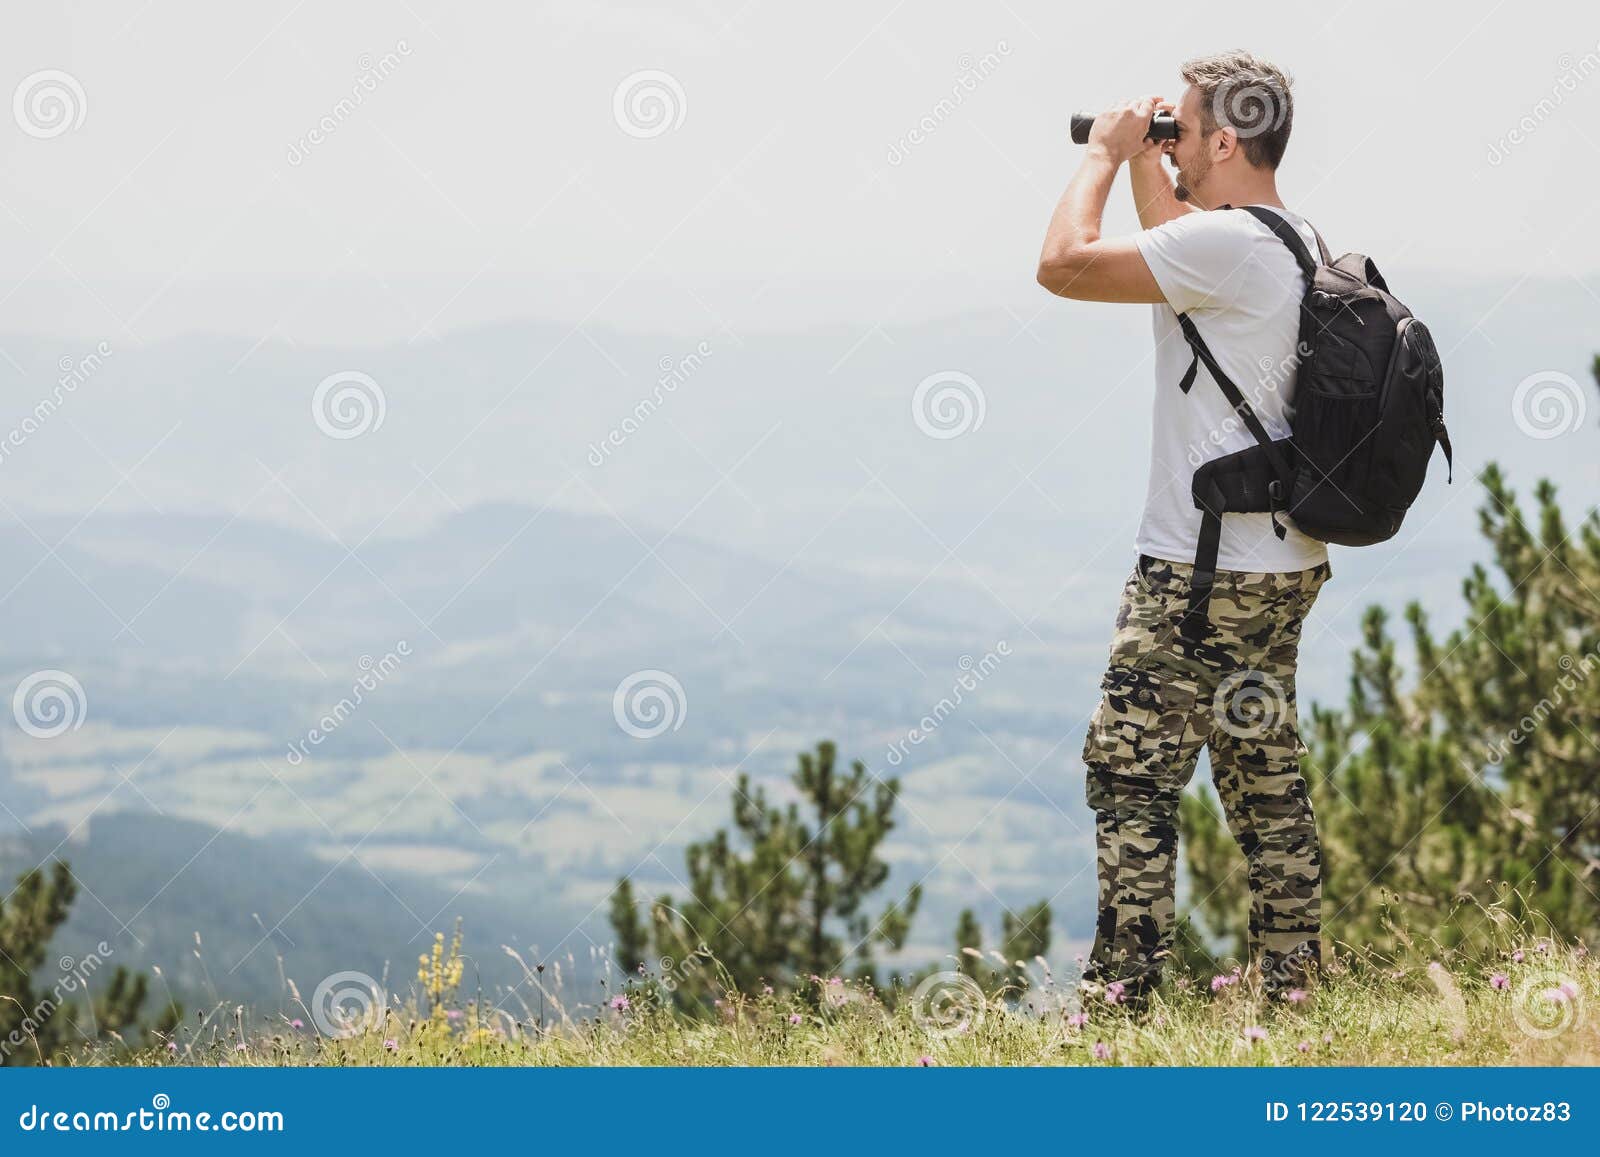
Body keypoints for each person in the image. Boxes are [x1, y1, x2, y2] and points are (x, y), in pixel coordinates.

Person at [1034, 51, 1330, 1004]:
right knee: (1261, 768)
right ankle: (1293, 984)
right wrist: (1155, 163)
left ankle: (1122, 998)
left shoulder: (1228, 246)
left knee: (1129, 773)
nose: (1176, 145)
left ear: (1226, 138)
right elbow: (1173, 234)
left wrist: (1106, 156)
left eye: (1188, 129)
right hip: (1282, 561)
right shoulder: (1286, 238)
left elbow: (1063, 267)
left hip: (1198, 575)